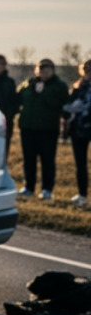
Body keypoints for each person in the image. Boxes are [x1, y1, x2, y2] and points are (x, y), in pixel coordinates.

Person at [16, 58, 69, 200]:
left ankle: (47, 189)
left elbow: (61, 104)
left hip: (48, 128)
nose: (44, 72)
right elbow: (18, 98)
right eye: (41, 69)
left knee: (47, 160)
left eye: (47, 69)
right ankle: (29, 187)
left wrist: (43, 93)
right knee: (29, 159)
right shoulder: (28, 84)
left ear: (52, 70)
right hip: (28, 127)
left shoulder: (59, 86)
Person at [64, 58, 91, 208]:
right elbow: (67, 105)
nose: (89, 72)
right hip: (78, 130)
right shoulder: (77, 86)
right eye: (87, 69)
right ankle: (82, 195)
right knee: (80, 165)